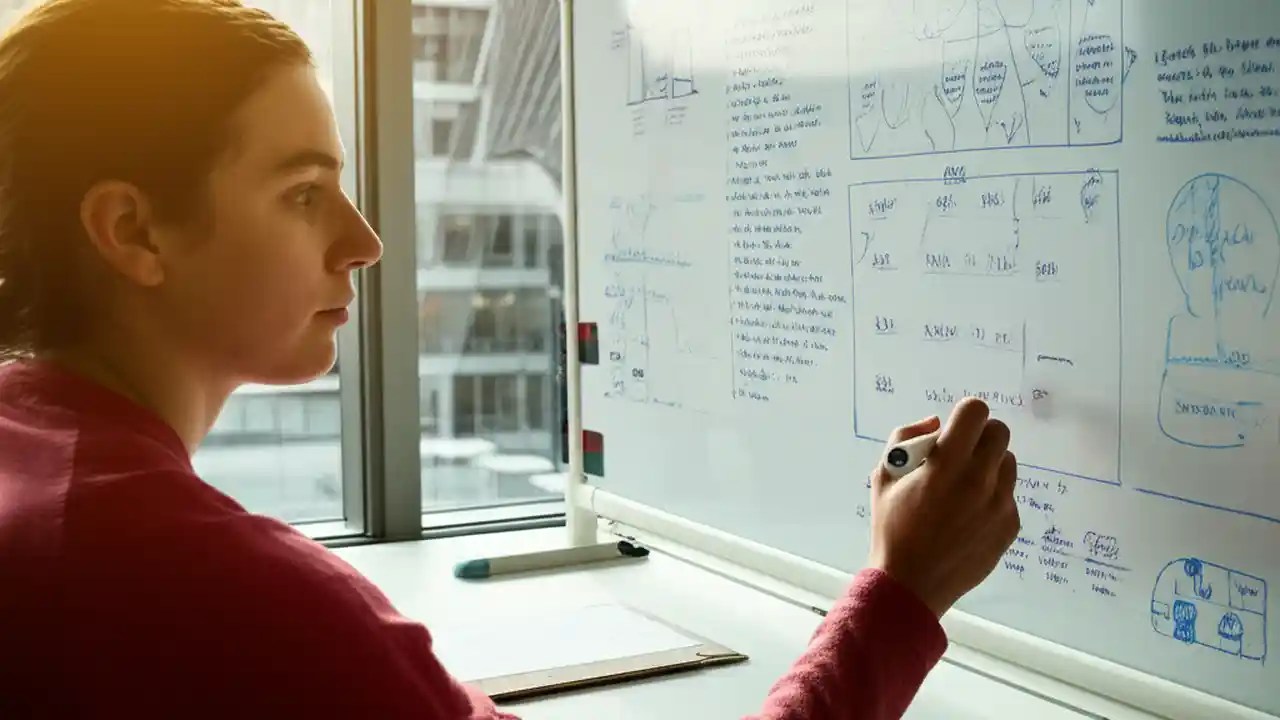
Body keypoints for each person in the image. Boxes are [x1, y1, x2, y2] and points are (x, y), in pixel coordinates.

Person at [0, 1, 1021, 717]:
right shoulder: (226, 595)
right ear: (133, 231)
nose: (364, 241)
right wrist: (900, 594)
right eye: (302, 193)